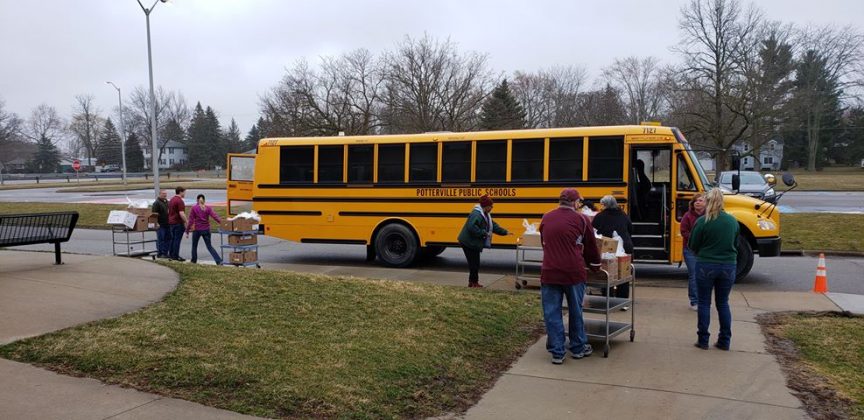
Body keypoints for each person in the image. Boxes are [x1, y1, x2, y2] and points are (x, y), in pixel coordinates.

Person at [539, 188, 601, 364]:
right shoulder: (581, 219)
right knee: (575, 310)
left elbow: (545, 243)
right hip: (573, 272)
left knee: (552, 313)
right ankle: (578, 347)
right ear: (575, 203)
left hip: (550, 271)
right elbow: (590, 246)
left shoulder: (546, 217)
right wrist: (595, 265)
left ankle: (557, 352)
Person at [689, 188, 738, 351]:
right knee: (723, 303)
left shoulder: (703, 221)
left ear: (708, 202)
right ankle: (725, 340)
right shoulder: (732, 221)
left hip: (706, 264)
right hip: (728, 265)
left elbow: (693, 245)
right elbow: (735, 244)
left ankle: (703, 339)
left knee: (704, 302)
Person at [457, 194, 511, 288]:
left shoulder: (486, 215)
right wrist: (483, 233)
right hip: (468, 242)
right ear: (486, 206)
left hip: (472, 242)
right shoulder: (477, 214)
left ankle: (472, 282)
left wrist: (505, 232)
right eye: (491, 206)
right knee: (474, 263)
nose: (492, 208)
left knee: (475, 263)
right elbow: (471, 227)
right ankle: (474, 283)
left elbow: (493, 226)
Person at [591, 195, 633, 300]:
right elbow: (630, 229)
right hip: (625, 248)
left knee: (607, 274)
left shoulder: (600, 216)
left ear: (606, 205)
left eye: (602, 205)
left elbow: (594, 231)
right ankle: (622, 299)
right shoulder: (624, 215)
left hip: (608, 249)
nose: (601, 207)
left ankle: (607, 298)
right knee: (624, 274)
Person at [680, 193, 706, 310]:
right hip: (690, 249)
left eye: (700, 200)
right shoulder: (687, 216)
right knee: (694, 275)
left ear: (706, 203)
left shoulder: (709, 216)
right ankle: (694, 301)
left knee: (704, 276)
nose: (698, 202)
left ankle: (704, 300)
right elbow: (684, 231)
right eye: (696, 201)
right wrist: (696, 238)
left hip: (704, 249)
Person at [186, 194, 223, 265]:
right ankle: (218, 261)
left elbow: (190, 220)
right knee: (209, 246)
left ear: (197, 200)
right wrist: (222, 223)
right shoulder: (208, 208)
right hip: (206, 229)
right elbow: (215, 216)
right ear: (204, 200)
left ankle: (194, 260)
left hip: (197, 230)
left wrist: (187, 231)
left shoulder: (194, 208)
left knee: (194, 246)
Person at [167, 186, 188, 261]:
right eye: (184, 192)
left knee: (172, 239)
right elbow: (181, 213)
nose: (185, 193)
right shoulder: (179, 201)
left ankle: (171, 255)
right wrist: (186, 221)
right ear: (181, 192)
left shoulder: (171, 200)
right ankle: (175, 256)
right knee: (177, 240)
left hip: (171, 222)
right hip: (178, 223)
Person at [151, 190, 170, 259]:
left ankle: (165, 253)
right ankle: (160, 253)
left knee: (168, 238)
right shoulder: (156, 203)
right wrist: (157, 223)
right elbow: (154, 214)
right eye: (163, 193)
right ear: (160, 194)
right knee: (161, 239)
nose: (165, 195)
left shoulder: (167, 202)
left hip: (167, 224)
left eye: (165, 193)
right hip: (160, 224)